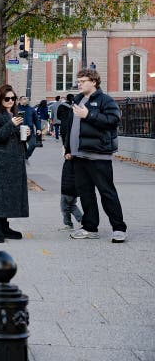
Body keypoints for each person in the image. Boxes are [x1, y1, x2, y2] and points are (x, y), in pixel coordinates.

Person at [61, 68, 127, 242]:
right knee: (85, 193)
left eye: (83, 81)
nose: (79, 84)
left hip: (98, 156)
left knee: (107, 192)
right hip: (79, 156)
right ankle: (90, 227)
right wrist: (68, 149)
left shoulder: (105, 100)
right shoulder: (77, 100)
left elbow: (113, 121)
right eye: (78, 81)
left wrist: (88, 115)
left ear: (94, 82)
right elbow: (71, 126)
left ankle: (119, 228)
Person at [0, 84, 29, 243]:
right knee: (0, 195)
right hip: (0, 162)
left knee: (10, 195)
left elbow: (16, 137)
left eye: (13, 98)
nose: (10, 101)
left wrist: (28, 135)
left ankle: (4, 226)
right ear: (0, 99)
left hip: (15, 161)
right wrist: (11, 124)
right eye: (7, 98)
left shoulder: (15, 114)